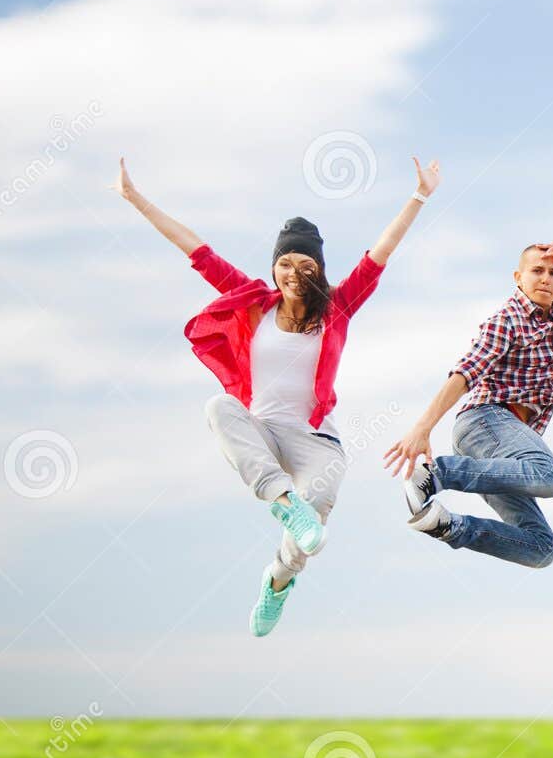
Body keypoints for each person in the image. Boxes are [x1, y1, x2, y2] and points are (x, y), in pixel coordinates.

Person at [116, 155, 439, 636]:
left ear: (318, 269)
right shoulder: (252, 300)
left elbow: (380, 253)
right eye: (284, 263)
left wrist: (419, 196)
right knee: (219, 407)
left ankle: (279, 579)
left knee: (315, 526)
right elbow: (195, 249)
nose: (292, 272)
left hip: (314, 441)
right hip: (262, 432)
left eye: (304, 264)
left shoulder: (340, 306)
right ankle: (282, 500)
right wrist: (136, 199)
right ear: (275, 267)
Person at [384, 243, 553, 570]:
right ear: (518, 277)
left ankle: (448, 526)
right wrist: (422, 428)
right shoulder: (507, 319)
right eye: (537, 271)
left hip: (504, 445)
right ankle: (436, 474)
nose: (546, 279)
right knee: (549, 476)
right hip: (484, 421)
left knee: (541, 549)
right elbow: (464, 373)